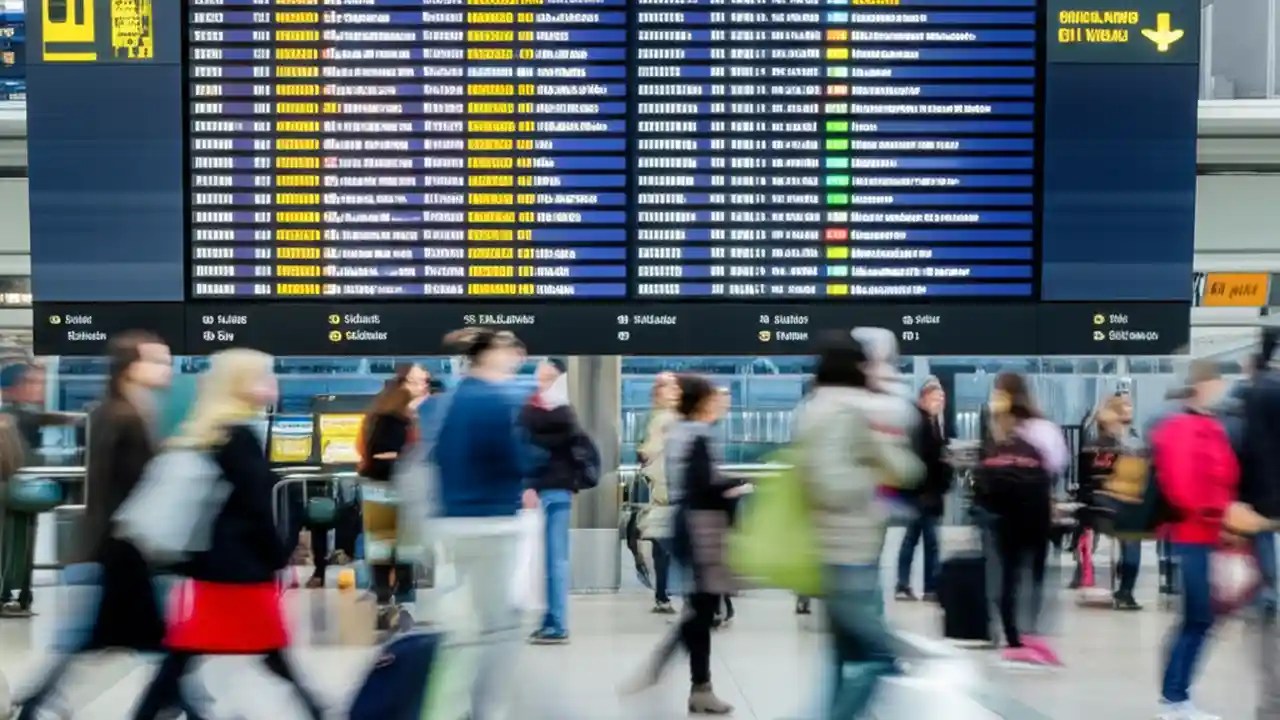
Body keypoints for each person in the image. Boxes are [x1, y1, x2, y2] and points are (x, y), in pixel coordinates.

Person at [131, 349, 324, 720]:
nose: (272, 384)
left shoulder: (209, 433)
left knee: (187, 654)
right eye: (262, 377)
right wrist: (277, 555)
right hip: (240, 572)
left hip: (211, 568)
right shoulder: (239, 438)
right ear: (240, 385)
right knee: (268, 653)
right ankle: (318, 712)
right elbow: (258, 507)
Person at [14, 332, 173, 720]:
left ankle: (38, 703)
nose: (165, 369)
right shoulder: (124, 416)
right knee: (149, 644)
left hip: (117, 550)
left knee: (105, 642)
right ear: (131, 367)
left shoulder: (117, 411)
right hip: (123, 553)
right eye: (157, 360)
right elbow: (132, 489)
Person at [794, 334, 923, 719]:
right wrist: (873, 483)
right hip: (848, 550)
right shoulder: (849, 412)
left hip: (829, 547)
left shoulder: (814, 408)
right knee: (877, 656)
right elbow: (833, 483)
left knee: (844, 655)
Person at [621, 374, 740, 714]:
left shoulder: (681, 433)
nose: (719, 402)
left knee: (701, 609)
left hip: (689, 525)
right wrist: (734, 488)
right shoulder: (697, 435)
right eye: (713, 397)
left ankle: (699, 685)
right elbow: (703, 484)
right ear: (701, 403)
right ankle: (670, 671)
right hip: (702, 529)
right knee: (702, 611)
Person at [432, 327, 528, 720]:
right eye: (507, 350)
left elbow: (438, 457)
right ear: (487, 355)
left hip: (454, 521)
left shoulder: (455, 400)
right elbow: (516, 460)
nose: (514, 357)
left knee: (473, 620)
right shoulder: (493, 401)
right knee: (500, 627)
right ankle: (481, 709)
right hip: (489, 524)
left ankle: (461, 702)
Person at [1152, 360, 1236, 720]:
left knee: (1199, 616)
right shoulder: (1184, 428)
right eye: (1219, 383)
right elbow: (1183, 485)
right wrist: (1218, 512)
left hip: (1209, 534)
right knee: (1198, 616)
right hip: (1193, 533)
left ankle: (1176, 694)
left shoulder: (1207, 425)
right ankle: (1174, 697)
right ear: (1206, 384)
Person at [976, 372, 1069, 668]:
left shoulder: (996, 428)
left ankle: (1012, 637)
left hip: (1002, 513)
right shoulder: (1042, 427)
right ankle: (1030, 632)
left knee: (1006, 574)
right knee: (1036, 572)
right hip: (1035, 511)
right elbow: (1058, 463)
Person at [0, 362, 78, 615]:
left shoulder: (20, 415)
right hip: (9, 491)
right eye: (32, 383)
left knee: (20, 542)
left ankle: (16, 593)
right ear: (13, 388)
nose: (39, 388)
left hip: (16, 489)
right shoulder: (8, 418)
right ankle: (10, 594)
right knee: (11, 543)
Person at [520, 358, 585, 644]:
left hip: (544, 490)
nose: (540, 379)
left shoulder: (534, 411)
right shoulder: (566, 412)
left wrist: (529, 485)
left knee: (549, 560)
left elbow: (528, 450)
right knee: (553, 559)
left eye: (545, 375)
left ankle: (556, 624)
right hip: (560, 490)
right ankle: (551, 620)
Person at [359, 364, 423, 612]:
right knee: (399, 547)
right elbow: (383, 453)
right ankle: (401, 597)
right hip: (392, 486)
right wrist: (406, 458)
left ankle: (384, 596)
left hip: (379, 485)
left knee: (383, 548)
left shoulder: (379, 417)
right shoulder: (393, 420)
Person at [896, 377, 950, 602]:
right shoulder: (922, 424)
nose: (940, 402)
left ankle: (904, 584)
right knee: (929, 541)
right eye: (936, 397)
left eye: (942, 398)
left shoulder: (931, 423)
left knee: (914, 538)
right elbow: (925, 458)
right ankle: (929, 586)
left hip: (922, 493)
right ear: (924, 398)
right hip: (923, 494)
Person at [1090, 393, 1146, 610]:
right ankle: (1125, 590)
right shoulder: (1104, 443)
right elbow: (1099, 475)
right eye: (1125, 406)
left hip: (1127, 497)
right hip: (1109, 499)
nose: (1130, 409)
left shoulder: (1130, 439)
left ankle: (1126, 588)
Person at [639, 372, 679, 614]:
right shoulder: (665, 419)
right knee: (666, 542)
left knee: (662, 542)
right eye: (668, 386)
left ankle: (662, 594)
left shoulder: (665, 416)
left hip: (666, 488)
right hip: (668, 489)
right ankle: (664, 593)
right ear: (659, 391)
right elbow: (650, 451)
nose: (674, 389)